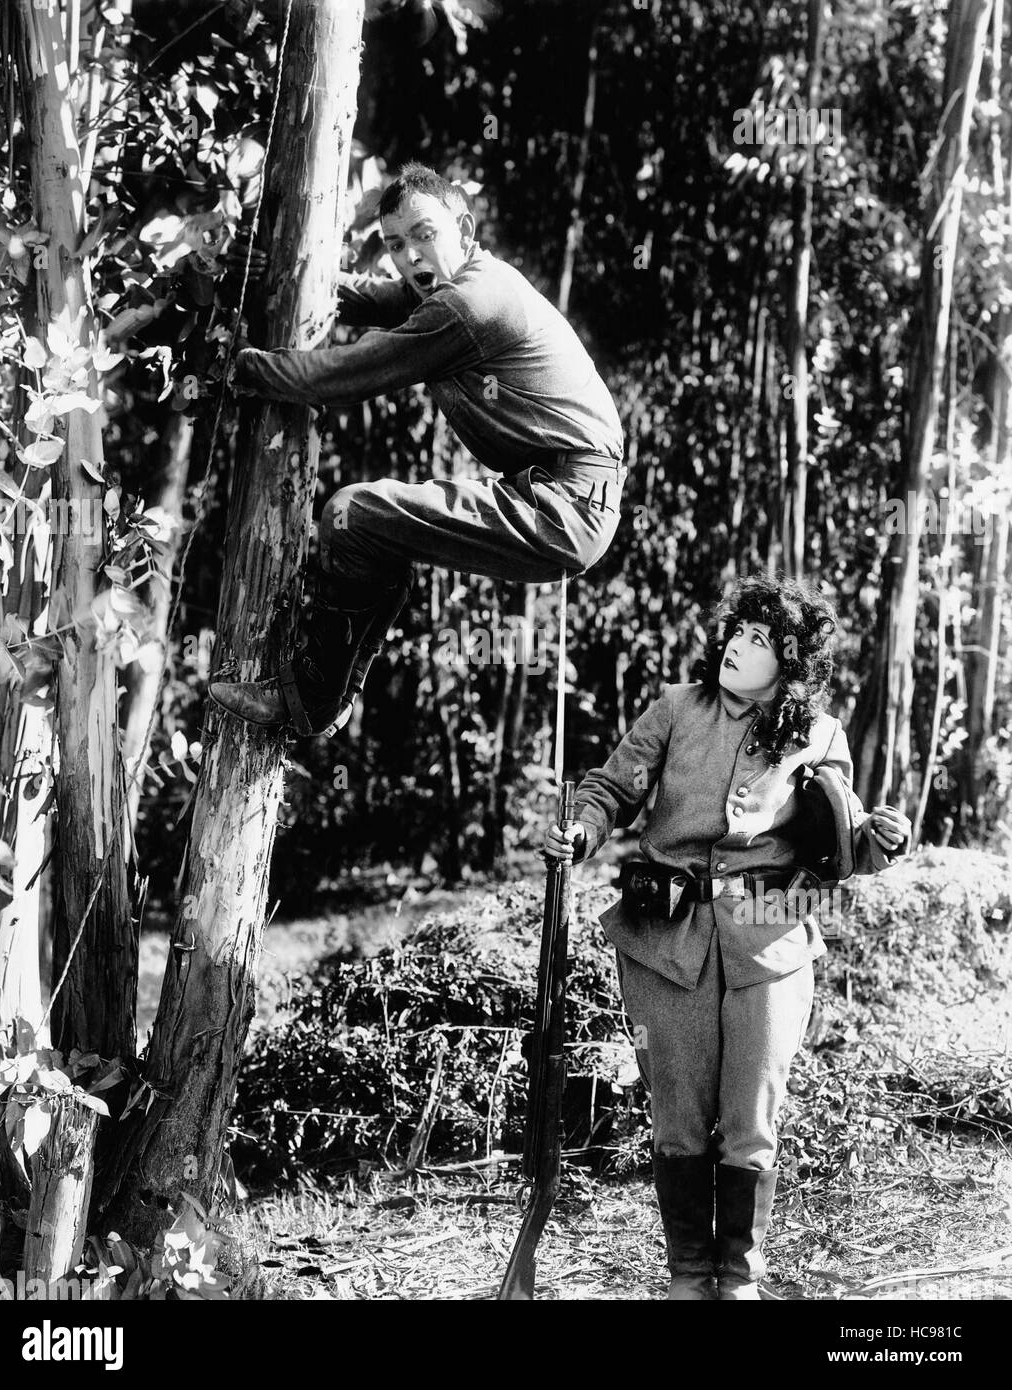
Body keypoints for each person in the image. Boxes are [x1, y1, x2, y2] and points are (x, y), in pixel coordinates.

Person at [544, 575, 911, 1301]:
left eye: (761, 642)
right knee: (678, 1119)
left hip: (768, 945)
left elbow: (839, 846)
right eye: (737, 633)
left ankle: (738, 1279)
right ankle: (687, 1276)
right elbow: (611, 789)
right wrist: (581, 832)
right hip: (662, 945)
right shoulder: (677, 708)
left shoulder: (820, 734)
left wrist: (882, 840)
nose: (738, 647)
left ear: (792, 666)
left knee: (750, 1120)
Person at [208, 163, 625, 738]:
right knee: (367, 529)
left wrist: (245, 367)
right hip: (548, 492)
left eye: (425, 234)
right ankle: (324, 695)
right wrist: (272, 273)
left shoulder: (473, 304)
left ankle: (309, 698)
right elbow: (373, 298)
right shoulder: (455, 289)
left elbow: (351, 372)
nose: (412, 256)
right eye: (396, 244)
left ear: (464, 230)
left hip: (566, 506)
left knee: (352, 515)